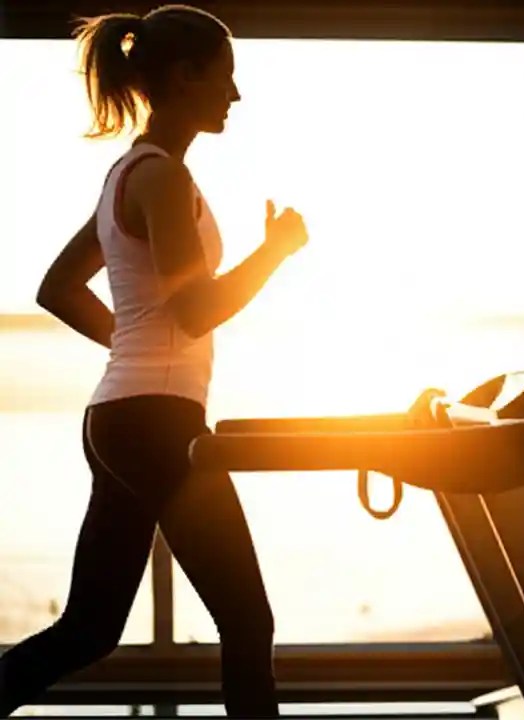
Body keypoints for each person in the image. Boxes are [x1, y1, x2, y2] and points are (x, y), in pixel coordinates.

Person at [0, 5, 307, 717]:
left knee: (88, 630)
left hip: (120, 416)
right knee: (248, 620)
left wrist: (133, 351)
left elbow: (58, 288)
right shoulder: (161, 178)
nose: (235, 95)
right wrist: (276, 253)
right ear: (183, 75)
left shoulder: (126, 175)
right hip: (156, 425)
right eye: (225, 78)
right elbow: (194, 310)